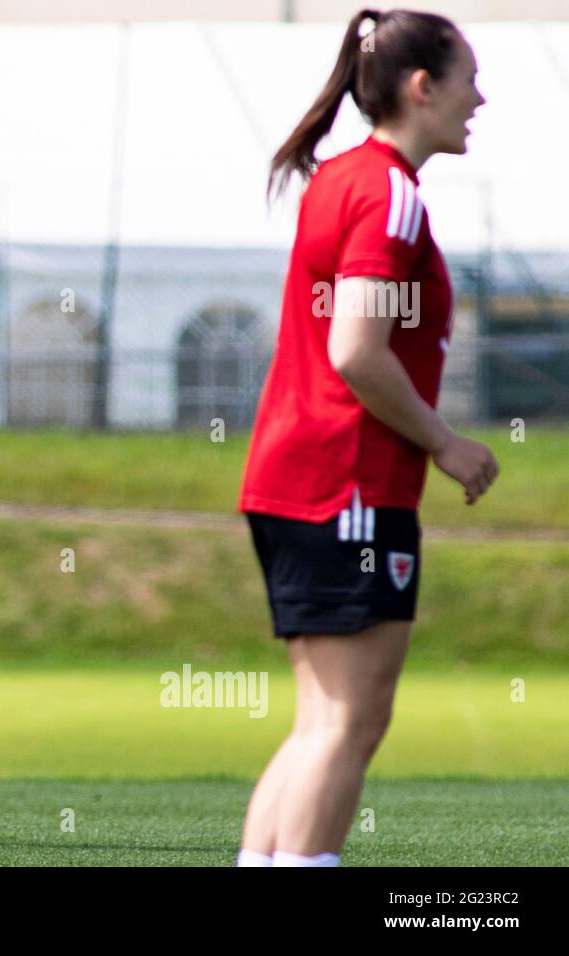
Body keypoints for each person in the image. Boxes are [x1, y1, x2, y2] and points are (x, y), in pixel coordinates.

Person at [236, 9, 497, 867]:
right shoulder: (386, 190)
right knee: (348, 721)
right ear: (423, 88)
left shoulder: (344, 177)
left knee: (322, 721)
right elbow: (356, 349)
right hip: (344, 484)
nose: (480, 100)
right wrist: (445, 442)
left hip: (298, 477)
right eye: (468, 81)